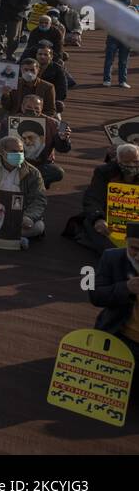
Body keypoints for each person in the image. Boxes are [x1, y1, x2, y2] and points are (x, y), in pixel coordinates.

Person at [87, 222, 139, 355]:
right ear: (126, 242)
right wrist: (126, 288)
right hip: (119, 335)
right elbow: (96, 296)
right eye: (134, 249)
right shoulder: (112, 258)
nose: (138, 257)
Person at [79, 143, 139, 254]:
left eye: (136, 162)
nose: (131, 165)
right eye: (126, 162)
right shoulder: (104, 172)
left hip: (135, 218)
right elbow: (92, 198)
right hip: (107, 216)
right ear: (118, 160)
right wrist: (98, 218)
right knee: (103, 237)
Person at [11, 96, 69, 188]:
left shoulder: (55, 124)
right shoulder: (10, 121)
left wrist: (63, 139)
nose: (32, 111)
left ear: (41, 109)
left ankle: (34, 183)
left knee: (57, 172)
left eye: (36, 108)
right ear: (22, 107)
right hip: (16, 164)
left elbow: (63, 149)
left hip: (41, 164)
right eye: (29, 108)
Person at [103, 0, 135, 88]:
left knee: (124, 60)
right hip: (113, 36)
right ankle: (107, 79)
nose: (130, 1)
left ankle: (122, 81)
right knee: (109, 59)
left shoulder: (133, 9)